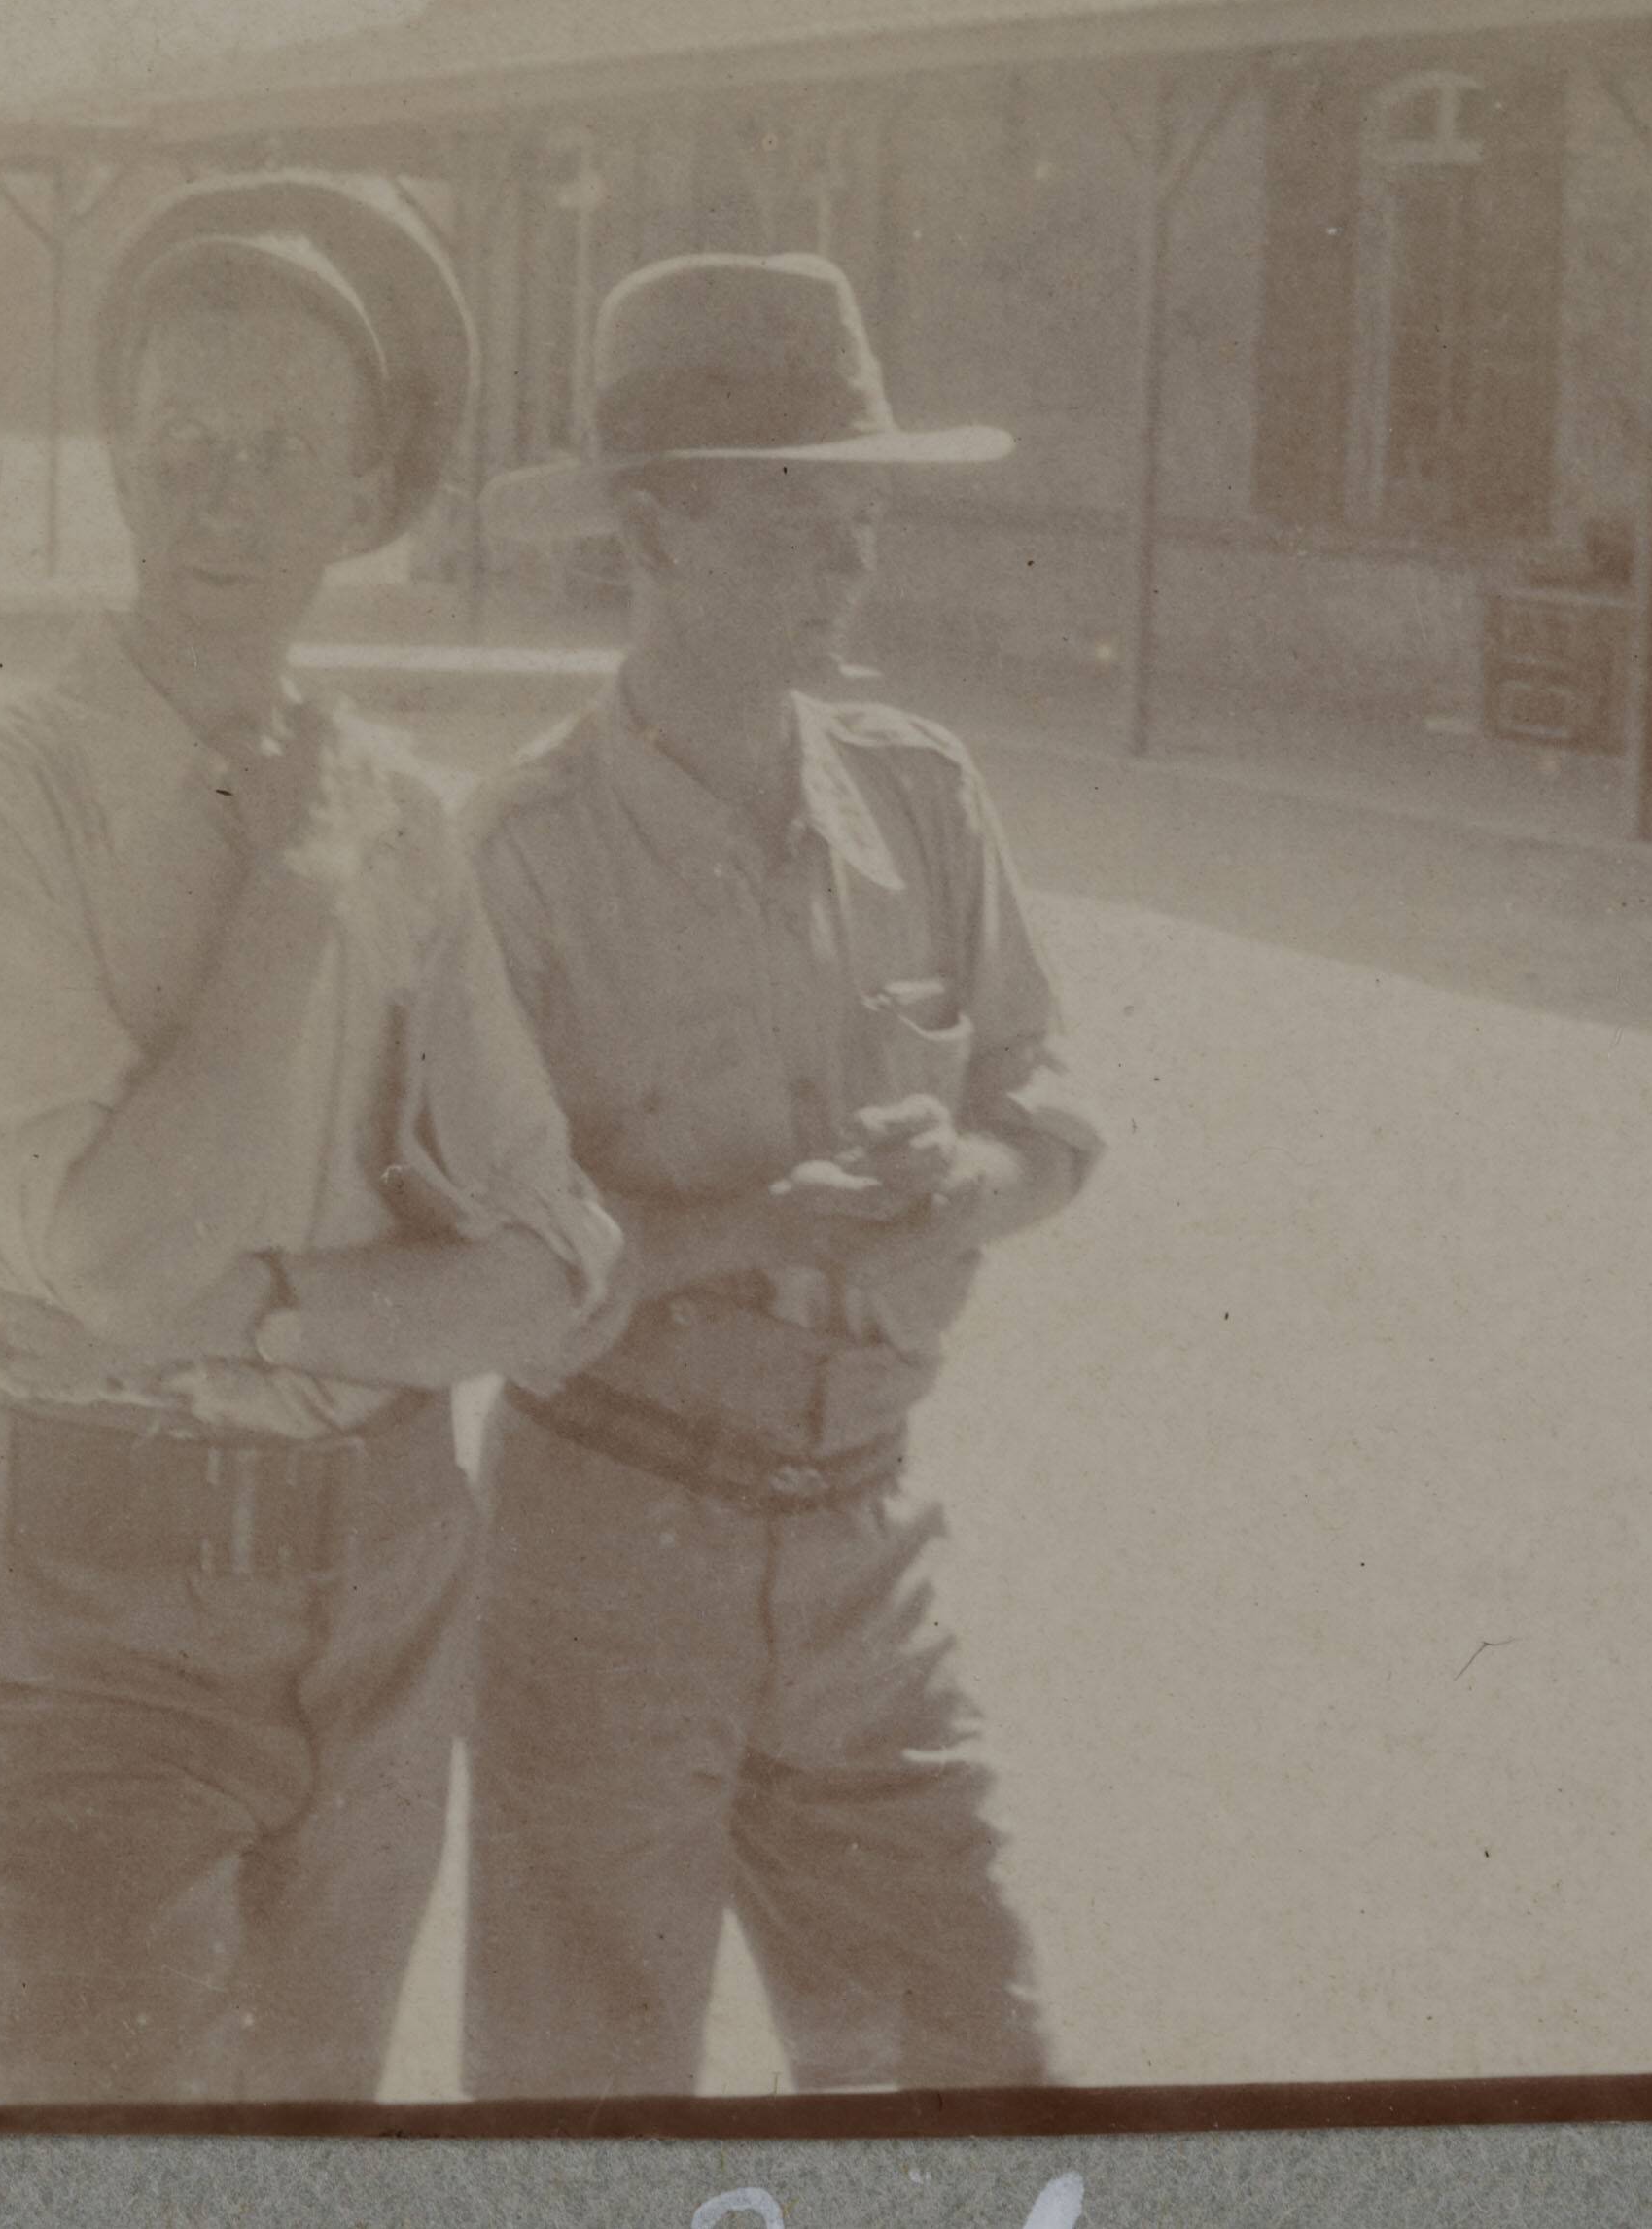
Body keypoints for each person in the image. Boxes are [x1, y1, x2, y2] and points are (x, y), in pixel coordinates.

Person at [0, 175, 624, 2107]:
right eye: (176, 438)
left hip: (384, 1612)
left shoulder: (404, 817)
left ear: (363, 497)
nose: (211, 494)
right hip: (91, 1640)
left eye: (272, 452)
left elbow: (556, 1271)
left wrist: (275, 1308)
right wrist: (286, 900)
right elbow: (109, 1260)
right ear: (114, 450)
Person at [458, 253, 1102, 2100]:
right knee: (583, 2117)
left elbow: (1045, 1104)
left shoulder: (915, 792)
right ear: (654, 530)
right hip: (609, 1558)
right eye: (799, 519)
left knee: (972, 2082)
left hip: (866, 1565)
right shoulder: (519, 855)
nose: (852, 564)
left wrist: (966, 1175)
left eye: (866, 516)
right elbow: (488, 1259)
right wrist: (752, 1226)